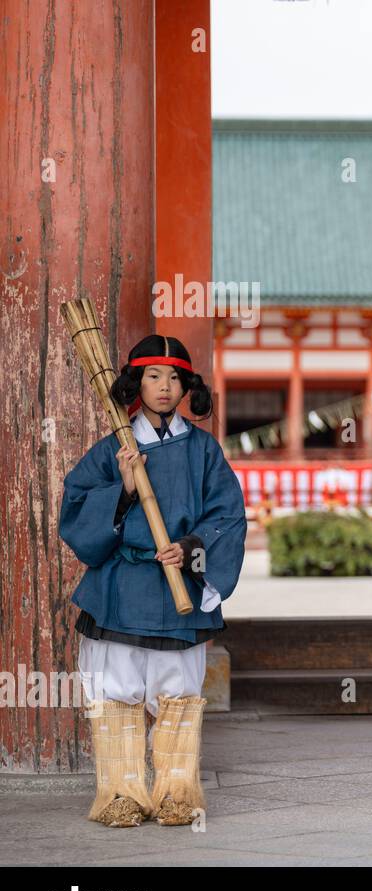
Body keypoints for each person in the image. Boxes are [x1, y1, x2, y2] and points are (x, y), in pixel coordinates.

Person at [60, 334, 247, 827]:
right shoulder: (112, 450)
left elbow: (228, 514)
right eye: (153, 376)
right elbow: (75, 507)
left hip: (177, 585)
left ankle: (176, 793)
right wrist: (122, 489)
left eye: (174, 377)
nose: (165, 387)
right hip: (121, 588)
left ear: (187, 387)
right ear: (135, 384)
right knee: (116, 692)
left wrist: (190, 547)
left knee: (178, 694)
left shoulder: (204, 450)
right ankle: (120, 794)